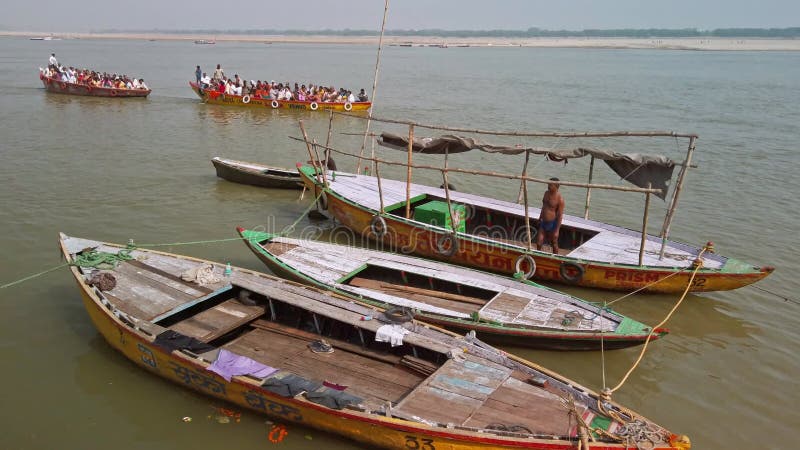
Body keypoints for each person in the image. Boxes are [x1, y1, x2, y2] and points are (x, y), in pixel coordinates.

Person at [535, 177, 565, 254]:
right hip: (543, 222)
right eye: (548, 184)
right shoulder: (546, 193)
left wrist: (557, 230)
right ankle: (537, 256)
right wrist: (540, 218)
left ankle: (556, 258)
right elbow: (544, 207)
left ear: (556, 186)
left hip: (552, 224)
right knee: (539, 243)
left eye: (550, 185)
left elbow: (560, 215)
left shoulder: (560, 199)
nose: (548, 186)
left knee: (554, 243)